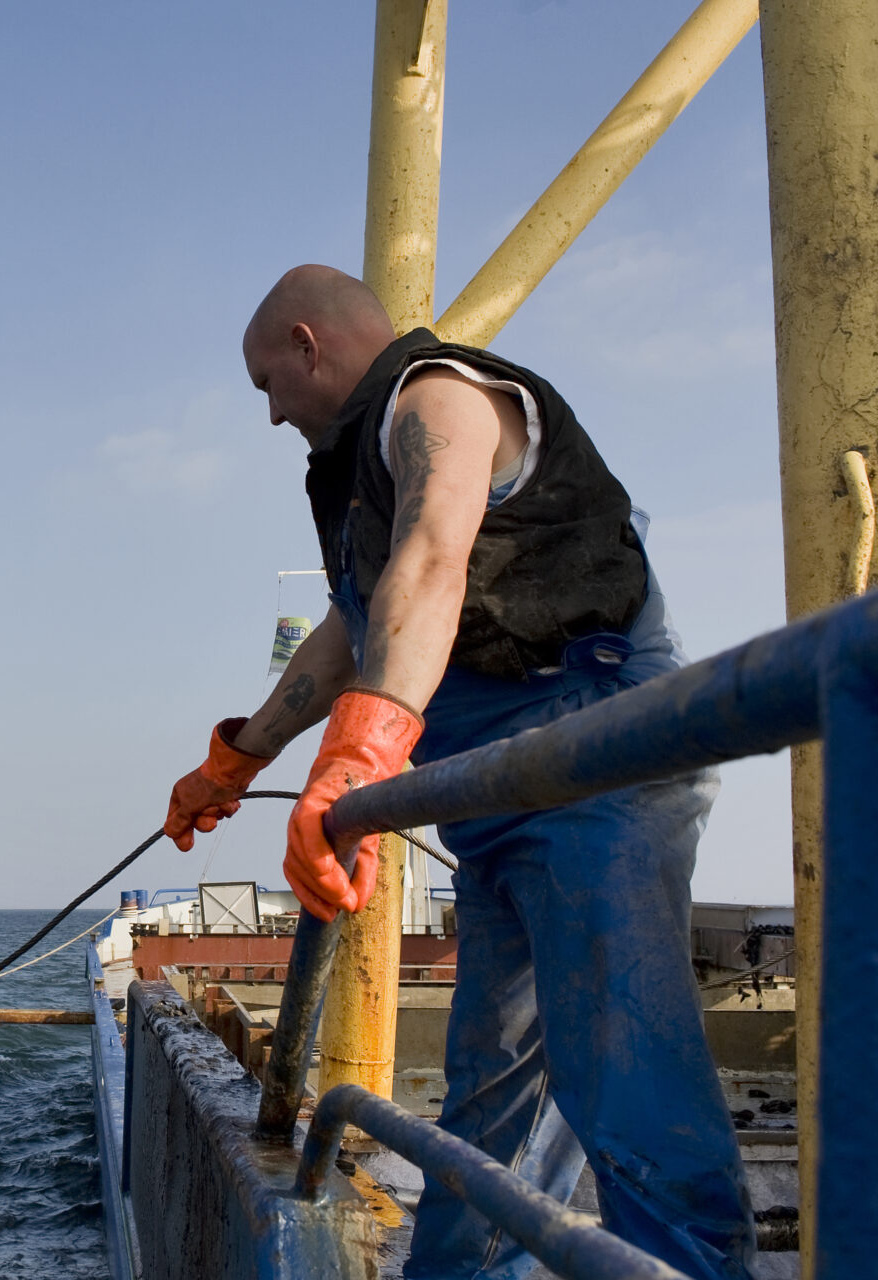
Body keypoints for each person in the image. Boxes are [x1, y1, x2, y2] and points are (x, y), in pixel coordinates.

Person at [162, 265, 755, 1280]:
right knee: (490, 1082)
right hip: (496, 791)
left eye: (269, 383)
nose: (269, 414)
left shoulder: (436, 398)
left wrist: (361, 751)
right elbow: (360, 622)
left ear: (310, 344)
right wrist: (240, 753)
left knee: (624, 1073)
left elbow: (434, 560)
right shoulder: (358, 479)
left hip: (587, 756)